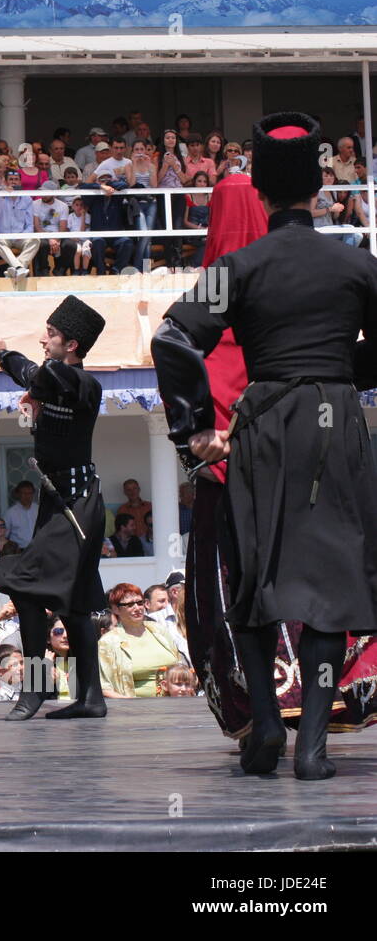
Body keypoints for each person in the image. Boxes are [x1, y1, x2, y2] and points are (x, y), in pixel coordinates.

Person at [155, 126, 377, 777]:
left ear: (260, 191)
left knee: (255, 579)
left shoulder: (238, 268)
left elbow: (173, 340)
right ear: (319, 189)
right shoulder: (357, 264)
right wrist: (342, 371)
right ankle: (312, 744)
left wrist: (193, 427)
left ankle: (265, 738)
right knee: (331, 580)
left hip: (262, 423)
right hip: (335, 422)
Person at [0, 296, 109, 720]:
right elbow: (32, 374)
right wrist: (4, 356)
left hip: (79, 505)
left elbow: (45, 375)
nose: (43, 339)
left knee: (27, 588)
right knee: (72, 602)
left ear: (72, 344)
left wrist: (25, 372)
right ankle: (91, 699)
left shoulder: (86, 385)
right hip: (58, 504)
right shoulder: (51, 376)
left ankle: (34, 691)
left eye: (51, 334)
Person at [98, 583, 181, 698]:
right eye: (130, 605)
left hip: (176, 706)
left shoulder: (158, 630)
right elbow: (105, 688)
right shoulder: (108, 642)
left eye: (140, 603)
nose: (137, 608)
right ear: (116, 609)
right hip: (135, 710)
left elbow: (179, 666)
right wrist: (132, 705)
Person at [2, 481, 38, 550]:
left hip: (38, 549)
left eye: (29, 493)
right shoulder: (10, 513)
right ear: (18, 494)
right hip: (20, 551)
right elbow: (5, 535)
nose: (27, 496)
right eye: (24, 493)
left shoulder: (38, 509)